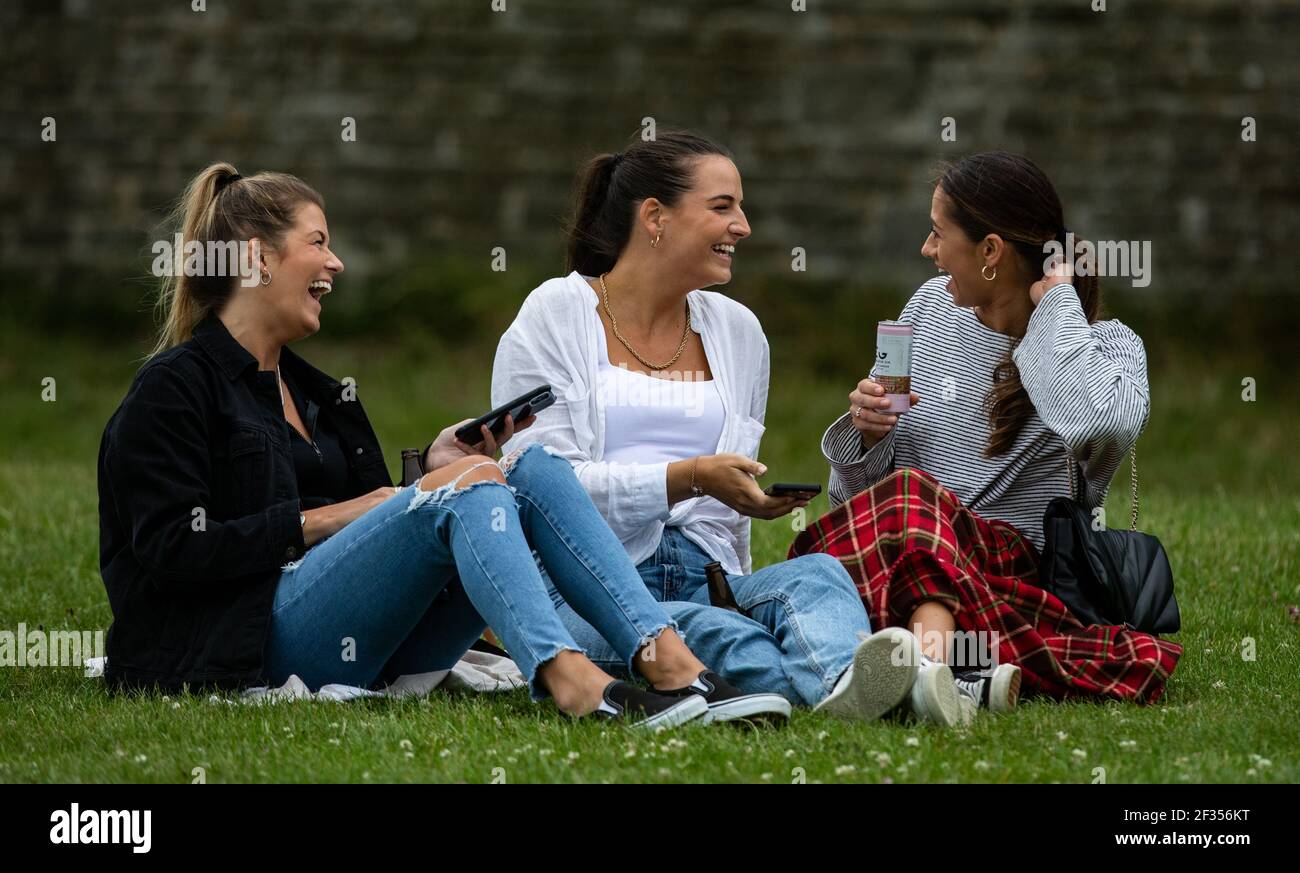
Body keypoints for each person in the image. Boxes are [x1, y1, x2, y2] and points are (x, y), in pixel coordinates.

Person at [97, 162, 789, 730]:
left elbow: (374, 538)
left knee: (528, 464)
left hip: (360, 636)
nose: (334, 264)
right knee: (477, 485)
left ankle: (675, 663)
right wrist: (325, 520)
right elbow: (168, 552)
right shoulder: (175, 389)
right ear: (256, 257)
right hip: (243, 642)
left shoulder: (318, 394)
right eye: (317, 242)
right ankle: (574, 680)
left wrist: (430, 470)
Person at [493, 132, 965, 726]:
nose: (742, 226)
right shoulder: (555, 314)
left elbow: (723, 521)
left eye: (740, 208)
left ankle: (857, 688)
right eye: (722, 207)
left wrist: (745, 496)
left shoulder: (738, 332)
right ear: (655, 217)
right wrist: (691, 477)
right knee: (723, 634)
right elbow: (540, 489)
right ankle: (879, 693)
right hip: (592, 592)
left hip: (707, 573)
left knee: (816, 578)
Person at [791, 150, 1181, 708]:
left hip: (1011, 577)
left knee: (910, 503)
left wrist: (1055, 311)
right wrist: (869, 438)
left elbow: (1096, 423)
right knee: (857, 541)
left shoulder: (1108, 347)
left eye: (937, 233)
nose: (927, 251)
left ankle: (923, 667)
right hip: (910, 563)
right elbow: (854, 506)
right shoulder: (927, 310)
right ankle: (956, 676)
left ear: (991, 251)